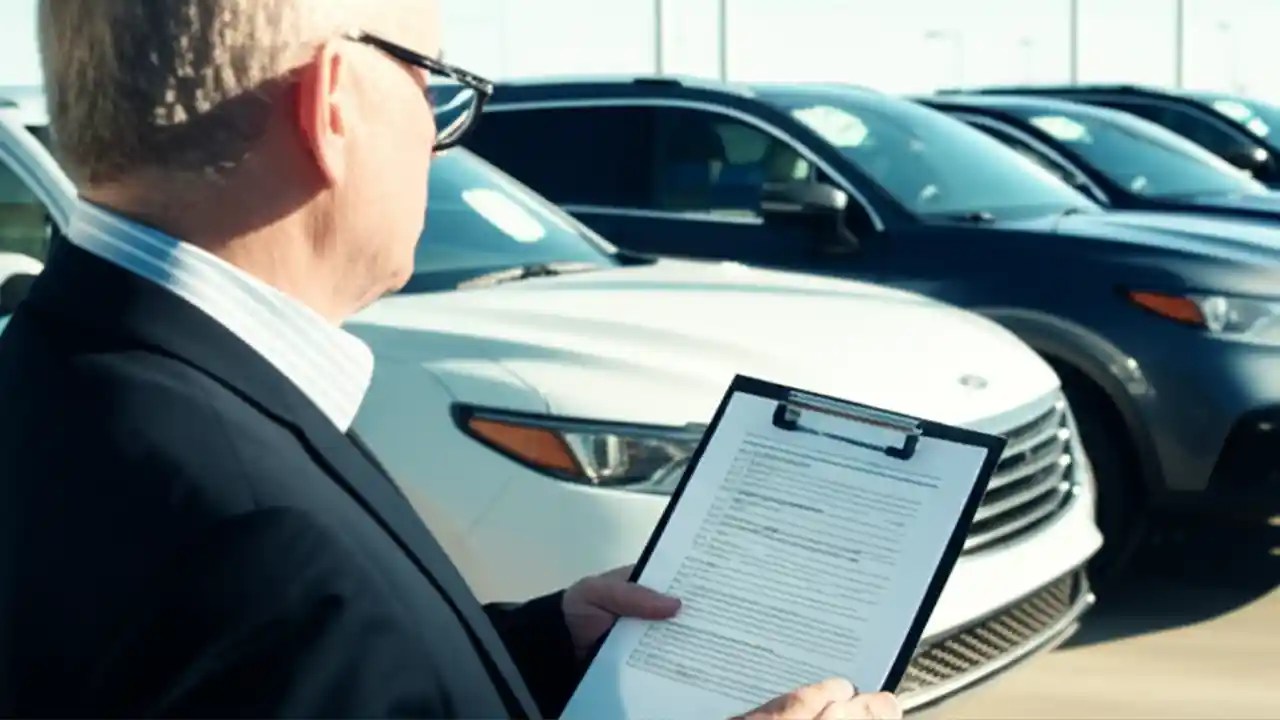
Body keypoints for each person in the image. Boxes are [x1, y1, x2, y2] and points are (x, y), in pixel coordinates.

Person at [0, 1, 903, 718]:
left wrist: (545, 649)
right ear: (335, 107)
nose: (440, 137)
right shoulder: (257, 539)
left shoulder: (66, 369)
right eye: (437, 90)